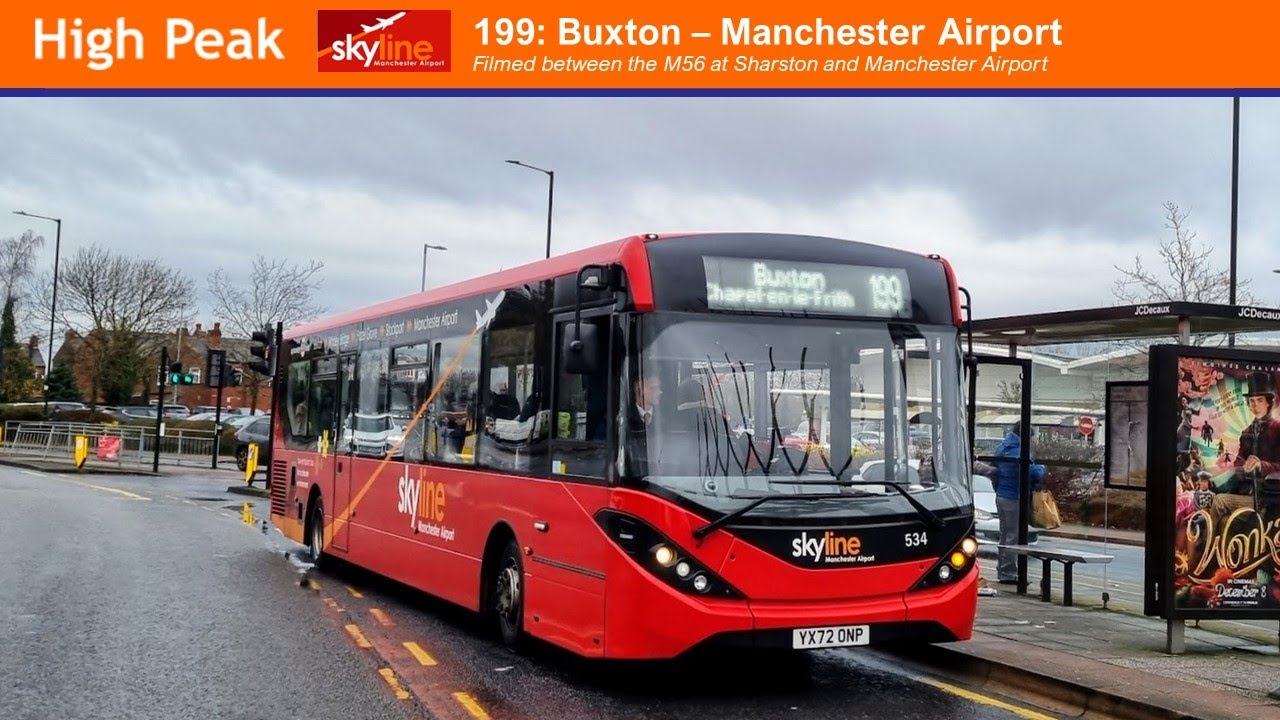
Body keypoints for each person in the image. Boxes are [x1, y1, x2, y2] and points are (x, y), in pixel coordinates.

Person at [1213, 372, 1280, 519]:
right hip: (1248, 494)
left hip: (1269, 498)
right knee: (1225, 520)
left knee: (1219, 501)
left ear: (1268, 402)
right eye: (1252, 401)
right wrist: (1241, 468)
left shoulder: (1277, 429)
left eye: (1260, 400)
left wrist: (1261, 465)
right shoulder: (1246, 432)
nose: (1255, 405)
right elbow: (1239, 463)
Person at [991, 425, 1046, 585]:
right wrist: (1042, 467)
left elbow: (994, 469)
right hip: (1014, 496)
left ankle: (1003, 570)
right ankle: (1008, 573)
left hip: (1002, 494)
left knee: (1005, 534)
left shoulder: (1003, 447)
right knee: (1012, 536)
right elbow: (1035, 473)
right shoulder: (1019, 450)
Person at [623, 374, 662, 478]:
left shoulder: (667, 418)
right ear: (639, 390)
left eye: (659, 388)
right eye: (653, 388)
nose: (659, 392)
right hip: (632, 478)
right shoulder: (622, 418)